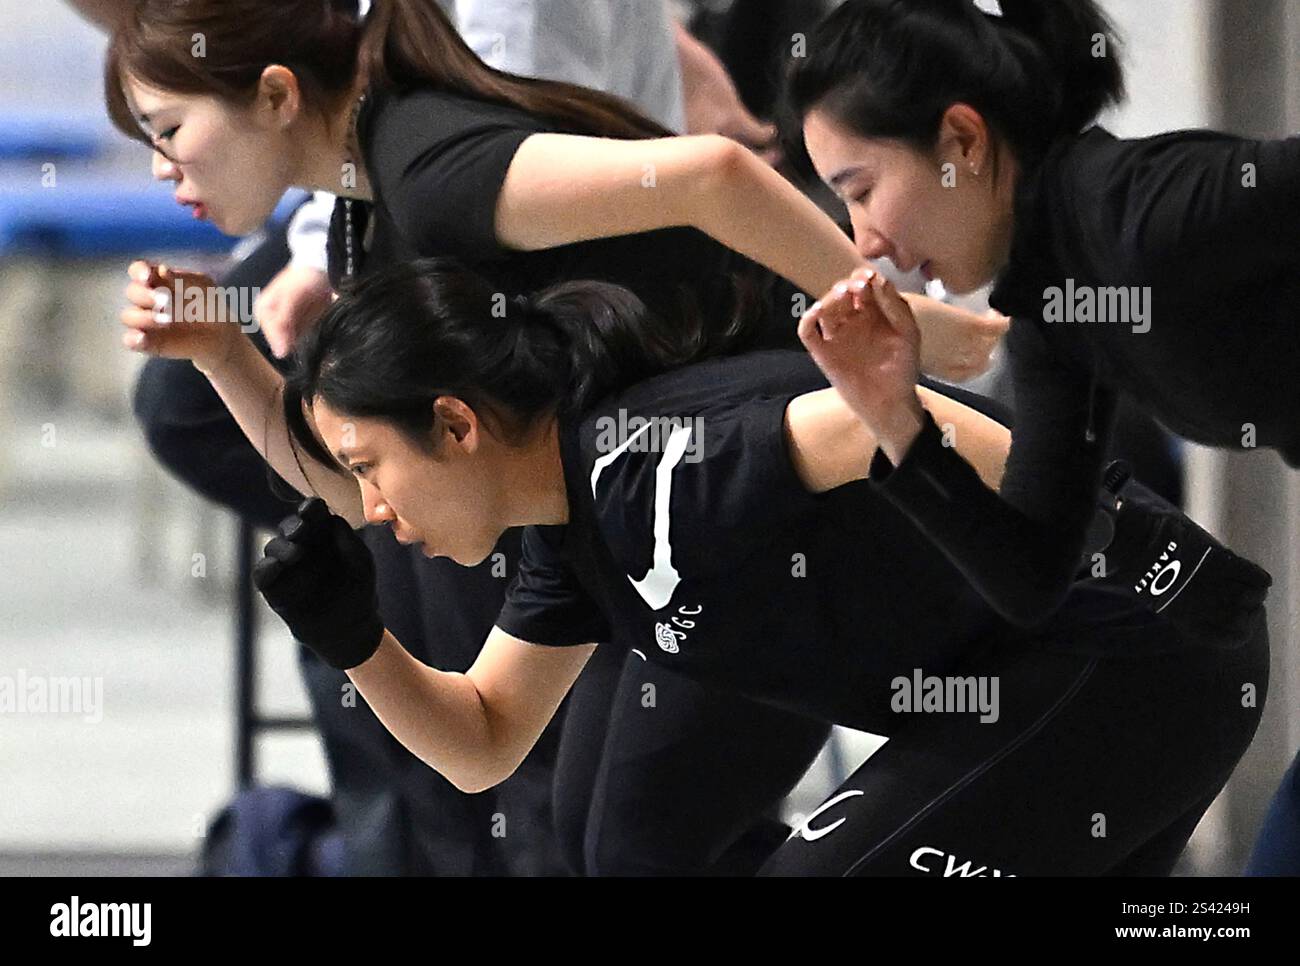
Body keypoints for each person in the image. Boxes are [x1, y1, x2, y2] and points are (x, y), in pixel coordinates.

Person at [236, 257, 1266, 876]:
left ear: (455, 424)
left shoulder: (645, 467)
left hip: (1132, 653)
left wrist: (1150, 554)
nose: (372, 510)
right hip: (1074, 679)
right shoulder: (569, 523)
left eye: (371, 467)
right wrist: (353, 640)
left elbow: (868, 421)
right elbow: (485, 741)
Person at [777, 0, 1293, 639]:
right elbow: (1029, 574)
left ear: (962, 141)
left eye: (862, 192)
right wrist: (893, 416)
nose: (866, 243)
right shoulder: (1053, 319)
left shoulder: (1131, 212)